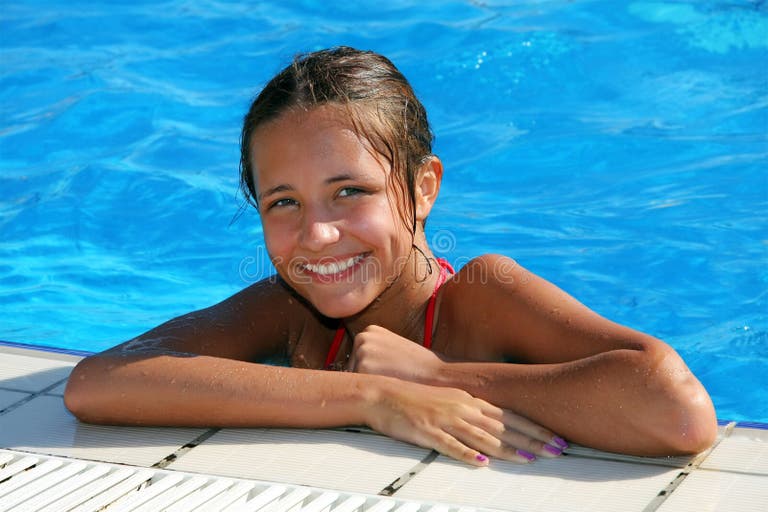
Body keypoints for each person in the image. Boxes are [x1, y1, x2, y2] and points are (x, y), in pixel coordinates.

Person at [64, 46, 717, 467]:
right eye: (283, 203)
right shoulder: (290, 308)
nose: (318, 236)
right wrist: (374, 395)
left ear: (423, 186)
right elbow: (99, 381)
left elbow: (676, 408)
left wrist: (437, 376)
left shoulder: (481, 296)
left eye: (350, 192)